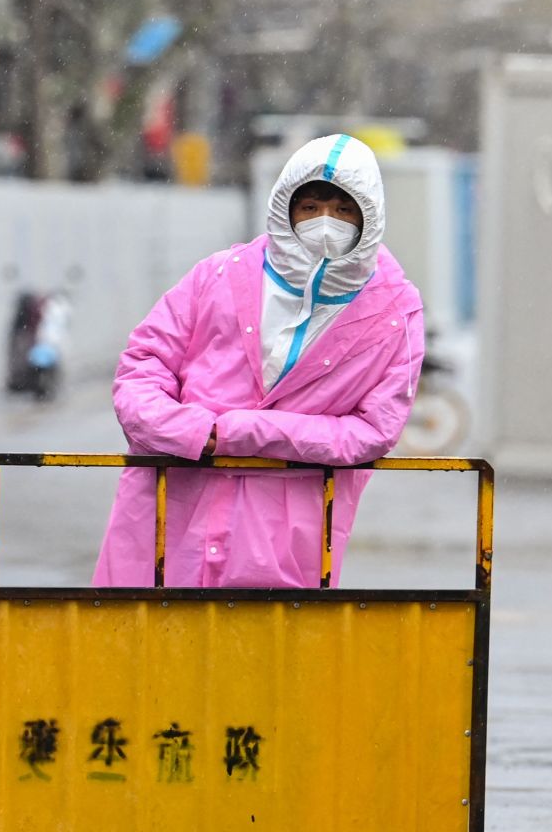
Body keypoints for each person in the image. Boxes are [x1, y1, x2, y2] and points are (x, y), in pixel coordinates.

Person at [92, 135, 425, 588]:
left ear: (369, 216)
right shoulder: (219, 275)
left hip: (280, 546)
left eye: (343, 210)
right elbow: (142, 368)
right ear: (284, 209)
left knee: (258, 654)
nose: (325, 223)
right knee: (139, 650)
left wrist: (237, 433)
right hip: (166, 522)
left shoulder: (393, 313)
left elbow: (374, 430)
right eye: (310, 207)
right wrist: (191, 433)